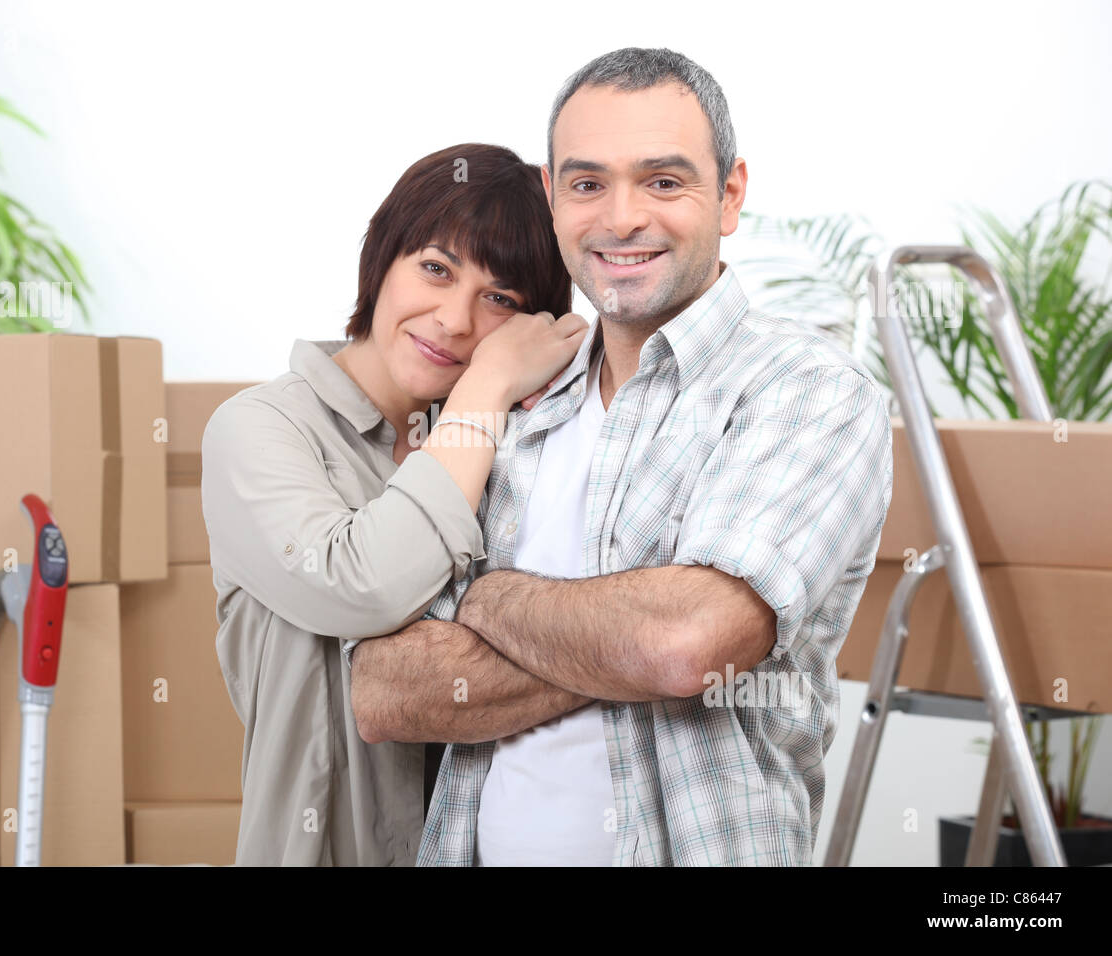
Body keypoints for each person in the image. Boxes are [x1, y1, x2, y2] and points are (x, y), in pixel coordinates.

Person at [345, 47, 895, 866]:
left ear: (731, 193)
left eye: (664, 181)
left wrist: (486, 600)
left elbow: (687, 645)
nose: (622, 218)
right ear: (553, 196)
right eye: (589, 183)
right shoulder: (509, 400)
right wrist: (623, 638)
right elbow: (387, 693)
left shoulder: (809, 390)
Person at [200, 143, 588, 866]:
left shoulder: (515, 449)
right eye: (436, 269)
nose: (454, 320)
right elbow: (364, 586)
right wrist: (487, 385)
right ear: (382, 258)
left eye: (499, 298)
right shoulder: (259, 429)